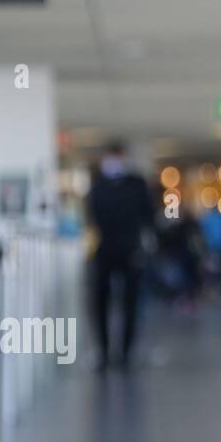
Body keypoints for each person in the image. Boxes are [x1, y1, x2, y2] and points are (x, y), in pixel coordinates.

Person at [86, 141, 154, 370]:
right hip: (105, 249)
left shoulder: (136, 184)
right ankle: (104, 352)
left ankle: (125, 353)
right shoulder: (98, 186)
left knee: (131, 302)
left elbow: (148, 215)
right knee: (100, 302)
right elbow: (92, 216)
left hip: (131, 249)